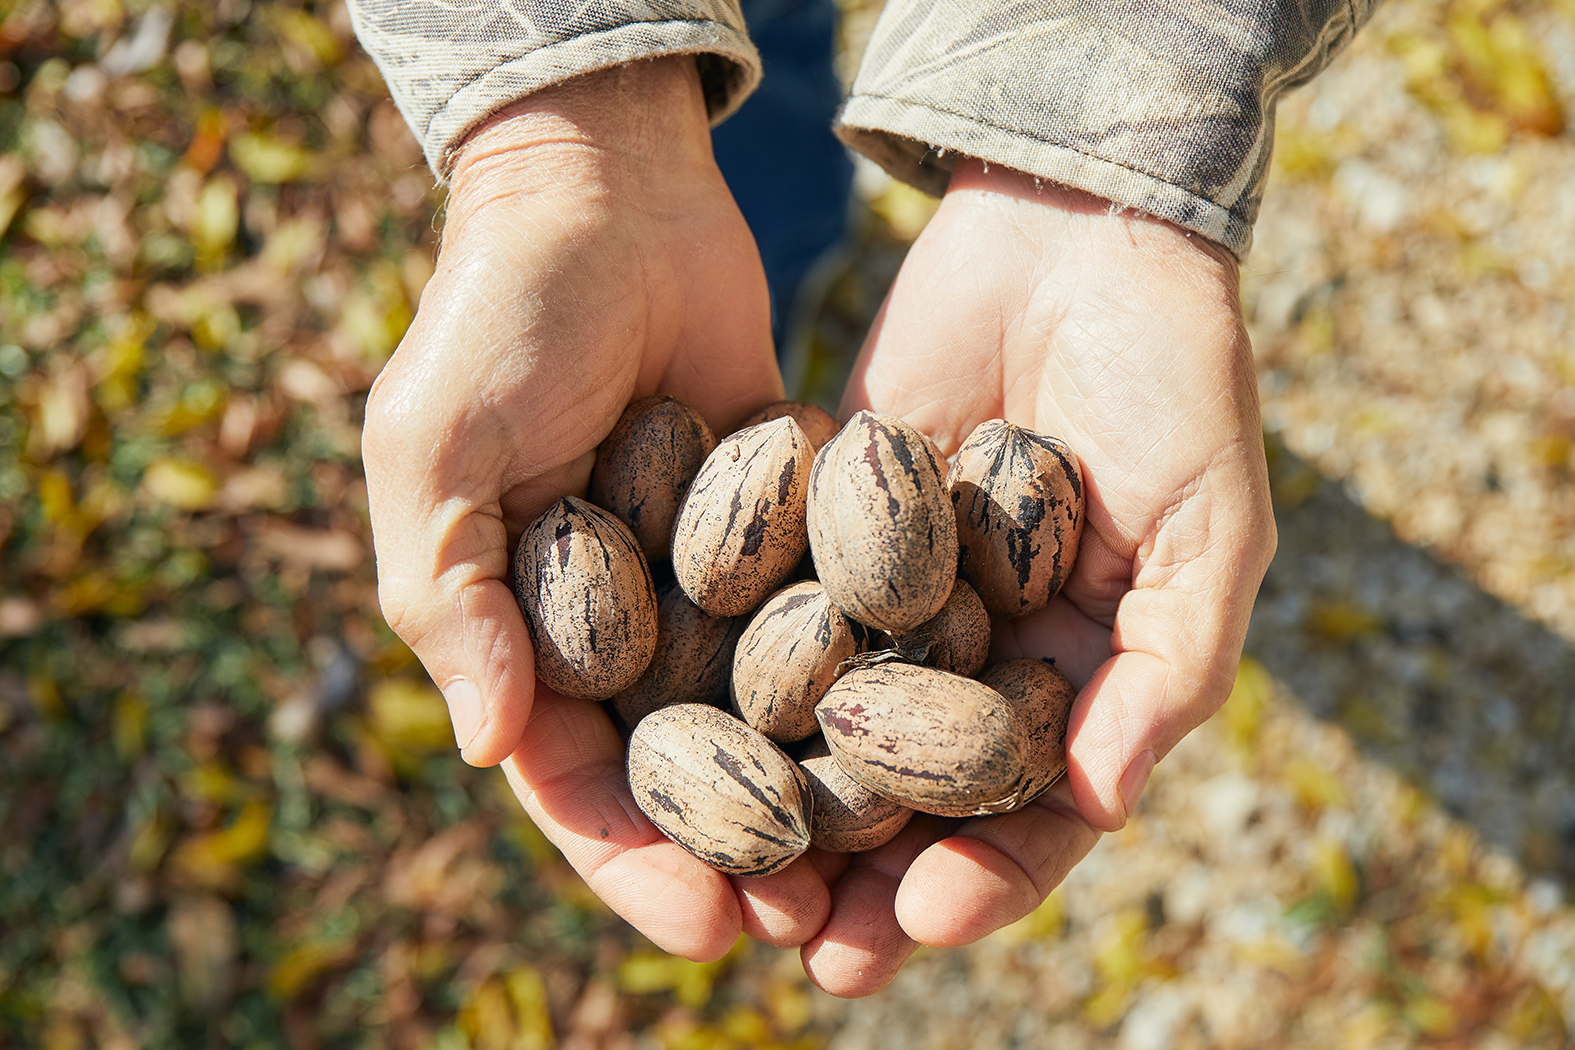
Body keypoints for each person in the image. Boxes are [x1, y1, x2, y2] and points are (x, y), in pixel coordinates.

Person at [349, 1, 1371, 998]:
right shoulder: (753, 632)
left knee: (780, 142)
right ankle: (756, 221)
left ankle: (783, 241)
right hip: (763, 539)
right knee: (757, 130)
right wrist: (565, 136)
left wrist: (1109, 158)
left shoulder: (875, 625)